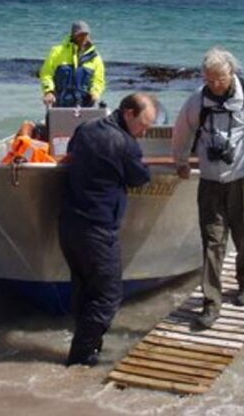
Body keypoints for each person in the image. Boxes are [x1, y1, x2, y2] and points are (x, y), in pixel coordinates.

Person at [171, 47, 244, 329]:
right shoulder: (198, 101)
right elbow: (182, 131)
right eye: (209, 79)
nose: (214, 84)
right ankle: (211, 302)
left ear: (231, 72)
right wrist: (181, 161)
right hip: (211, 182)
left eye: (220, 78)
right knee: (212, 241)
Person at [59, 93, 157, 366]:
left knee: (84, 289)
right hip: (98, 228)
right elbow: (140, 178)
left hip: (69, 224)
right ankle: (79, 358)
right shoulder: (125, 143)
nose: (144, 131)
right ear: (128, 112)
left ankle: (89, 351)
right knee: (108, 295)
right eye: (144, 124)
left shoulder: (86, 128)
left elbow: (71, 151)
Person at [39, 20, 106, 108]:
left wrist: (95, 93)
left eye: (85, 34)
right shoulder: (57, 52)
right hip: (60, 104)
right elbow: (46, 74)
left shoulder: (95, 57)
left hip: (86, 106)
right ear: (73, 35)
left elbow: (98, 79)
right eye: (80, 35)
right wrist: (49, 92)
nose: (83, 38)